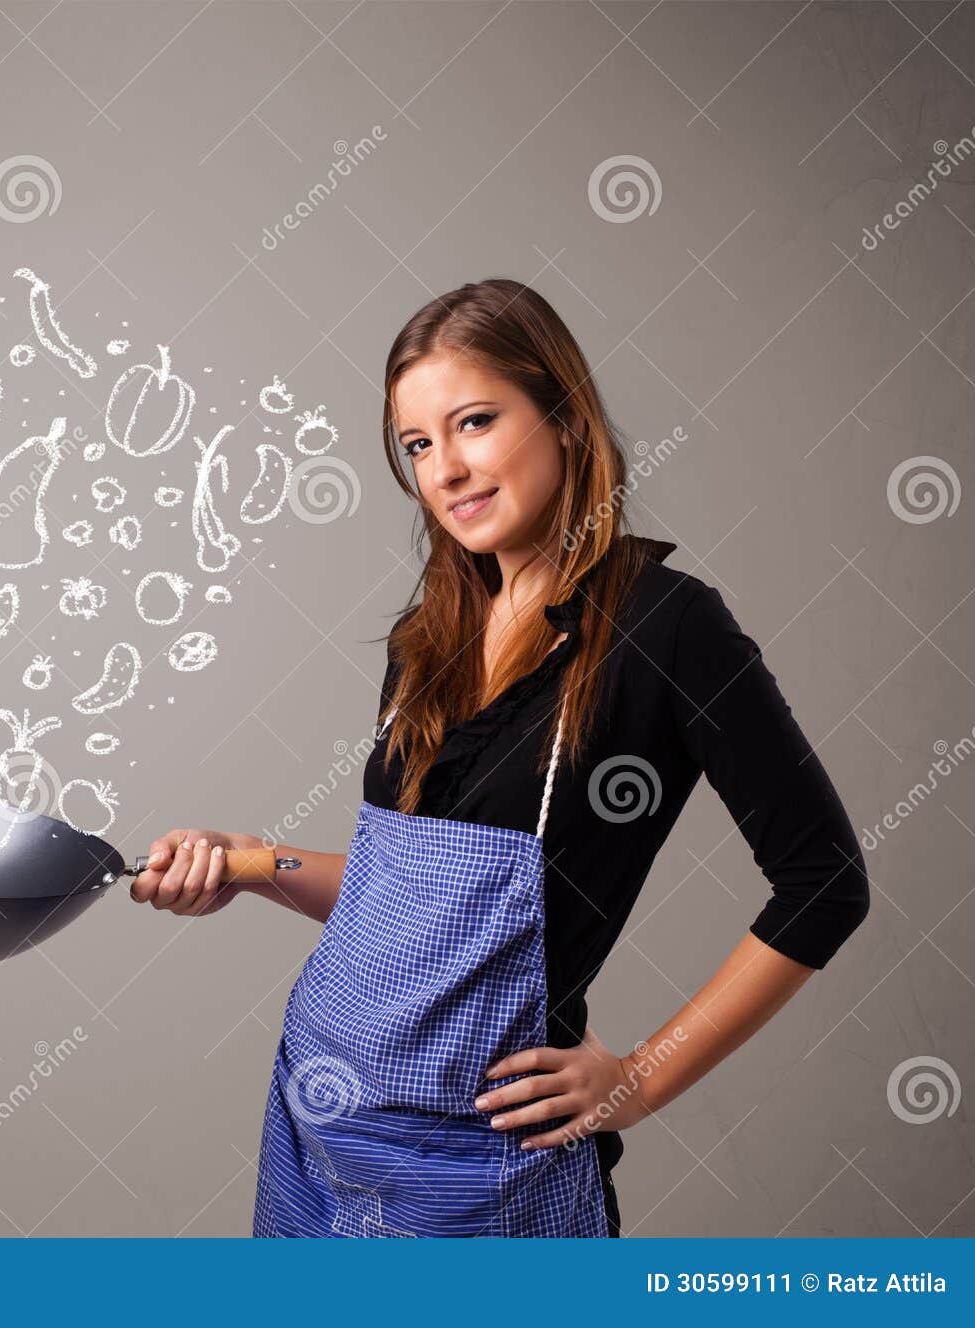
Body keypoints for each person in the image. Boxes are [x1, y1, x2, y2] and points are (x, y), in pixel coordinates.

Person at [128, 278, 871, 1238]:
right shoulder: (425, 641)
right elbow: (418, 901)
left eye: (474, 421)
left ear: (563, 415)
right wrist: (252, 862)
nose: (445, 469)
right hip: (322, 1144)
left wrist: (637, 1081)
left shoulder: (665, 626)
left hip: (484, 1173)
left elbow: (824, 884)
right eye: (417, 445)